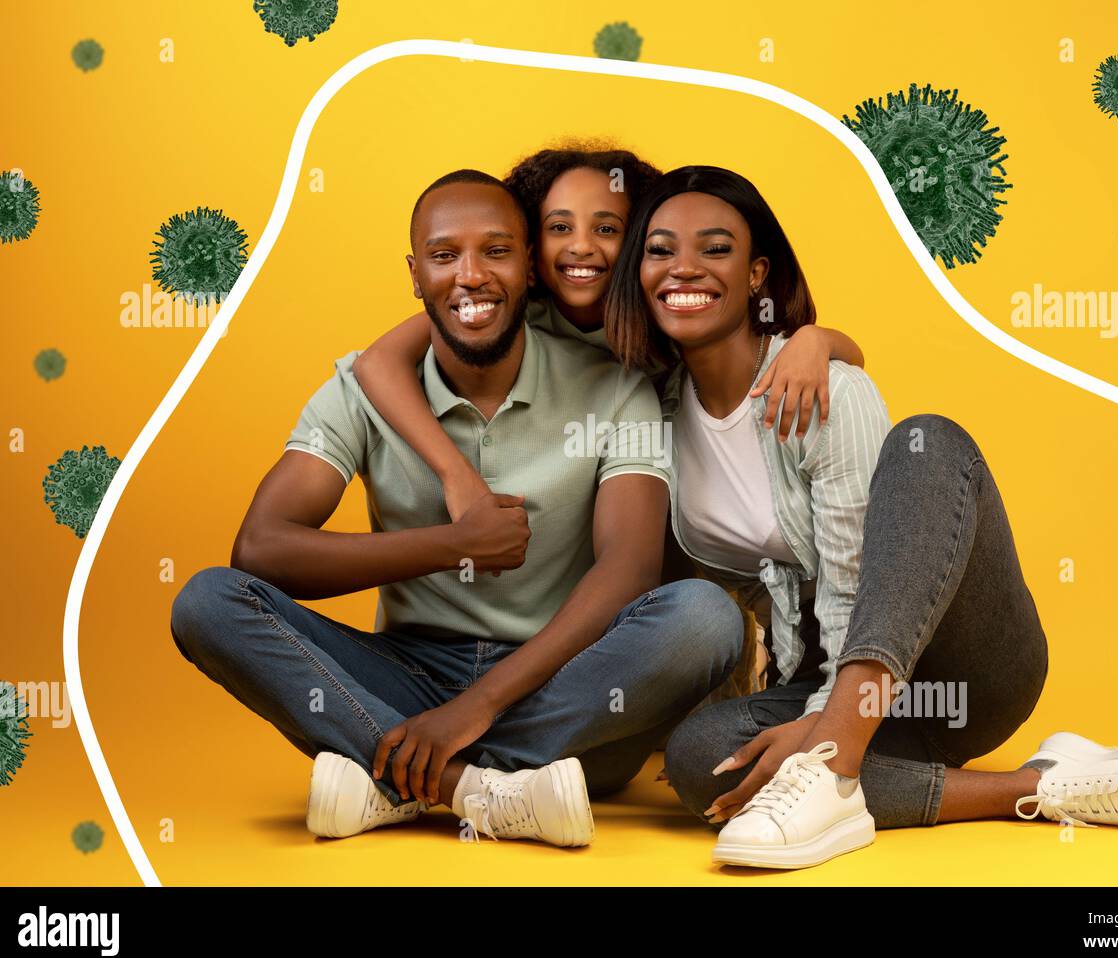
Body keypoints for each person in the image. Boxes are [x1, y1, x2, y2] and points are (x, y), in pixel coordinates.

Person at [603, 165, 1118, 869]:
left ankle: (831, 765)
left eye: (715, 248)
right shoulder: (650, 414)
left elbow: (850, 580)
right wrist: (775, 711)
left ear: (757, 274)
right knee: (703, 759)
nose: (684, 268)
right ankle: (1040, 786)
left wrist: (826, 726)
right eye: (660, 250)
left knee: (927, 440)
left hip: (962, 665)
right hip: (832, 686)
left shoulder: (823, 387)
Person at [170, 169, 743, 847]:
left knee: (705, 619)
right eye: (445, 257)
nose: (471, 276)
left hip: (565, 683)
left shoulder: (617, 388)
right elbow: (261, 551)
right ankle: (477, 791)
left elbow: (629, 568)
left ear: (530, 267)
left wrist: (476, 707)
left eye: (496, 252)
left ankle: (387, 773)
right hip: (409, 676)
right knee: (208, 601)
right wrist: (455, 543)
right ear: (416, 275)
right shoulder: (361, 392)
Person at [352, 144, 867, 528]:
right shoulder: (506, 309)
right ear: (530, 250)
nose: (581, 247)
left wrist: (814, 341)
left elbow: (833, 355)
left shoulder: (667, 311)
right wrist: (456, 474)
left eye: (606, 229)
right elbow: (376, 364)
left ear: (641, 239)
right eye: (559, 228)